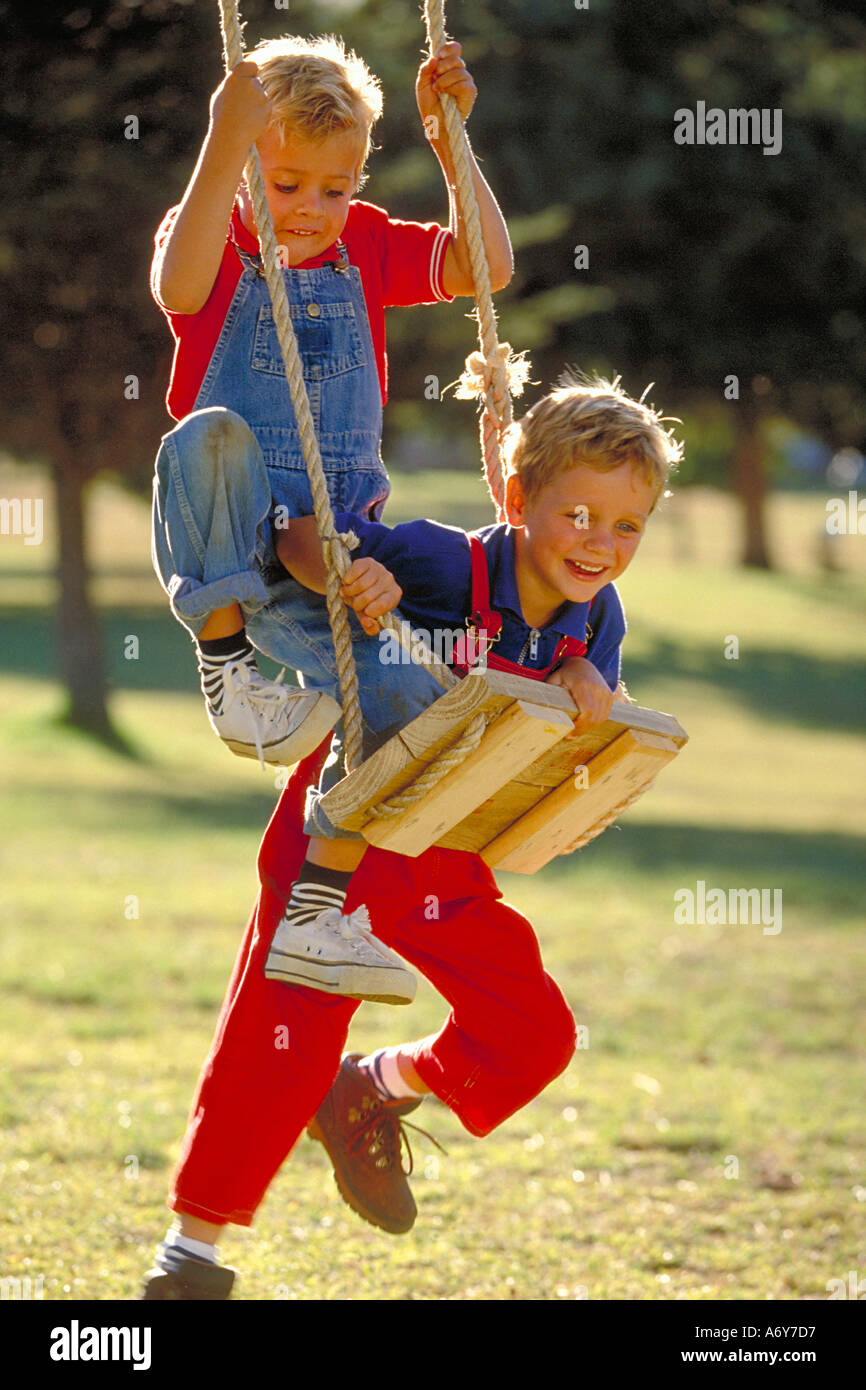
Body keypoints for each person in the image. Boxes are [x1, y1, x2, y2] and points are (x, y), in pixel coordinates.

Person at [141, 374, 683, 1299]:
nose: (600, 544)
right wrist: (356, 573)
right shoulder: (445, 561)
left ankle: (375, 1088)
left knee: (533, 1033)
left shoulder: (599, 615)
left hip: (448, 855)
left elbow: (583, 721)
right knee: (278, 1039)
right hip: (343, 839)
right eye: (579, 515)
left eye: (625, 527)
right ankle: (191, 1254)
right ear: (517, 501)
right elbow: (303, 542)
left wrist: (597, 689)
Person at [149, 33, 512, 1002]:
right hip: (231, 533)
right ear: (242, 176)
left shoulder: (364, 245)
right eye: (285, 183)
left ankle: (317, 911)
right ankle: (227, 671)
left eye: (334, 188)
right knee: (206, 438)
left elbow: (484, 268)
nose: (310, 209)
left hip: (331, 548)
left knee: (400, 696)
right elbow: (177, 290)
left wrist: (451, 146)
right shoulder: (216, 239)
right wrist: (224, 144)